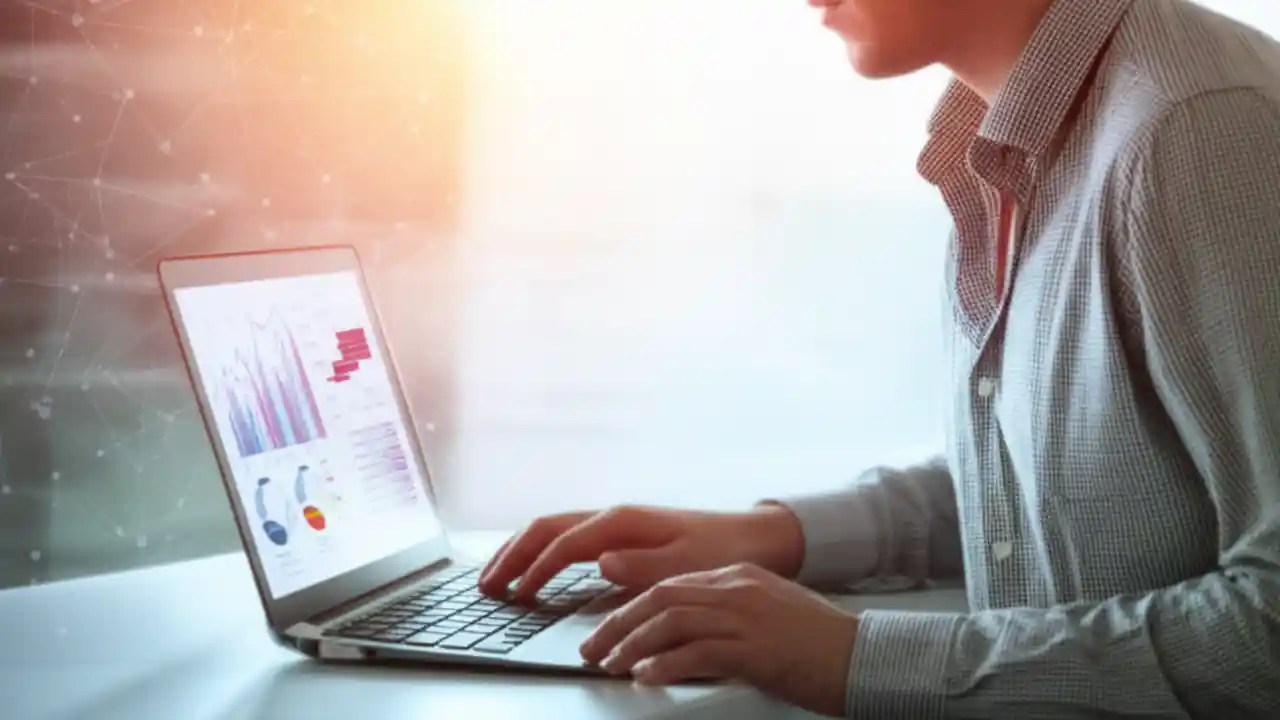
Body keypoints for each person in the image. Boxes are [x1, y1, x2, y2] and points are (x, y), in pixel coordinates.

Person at [478, 0, 1280, 716]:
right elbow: (1068, 489)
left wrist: (855, 658)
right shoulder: (1005, 138)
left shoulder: (1197, 134)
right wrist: (771, 538)